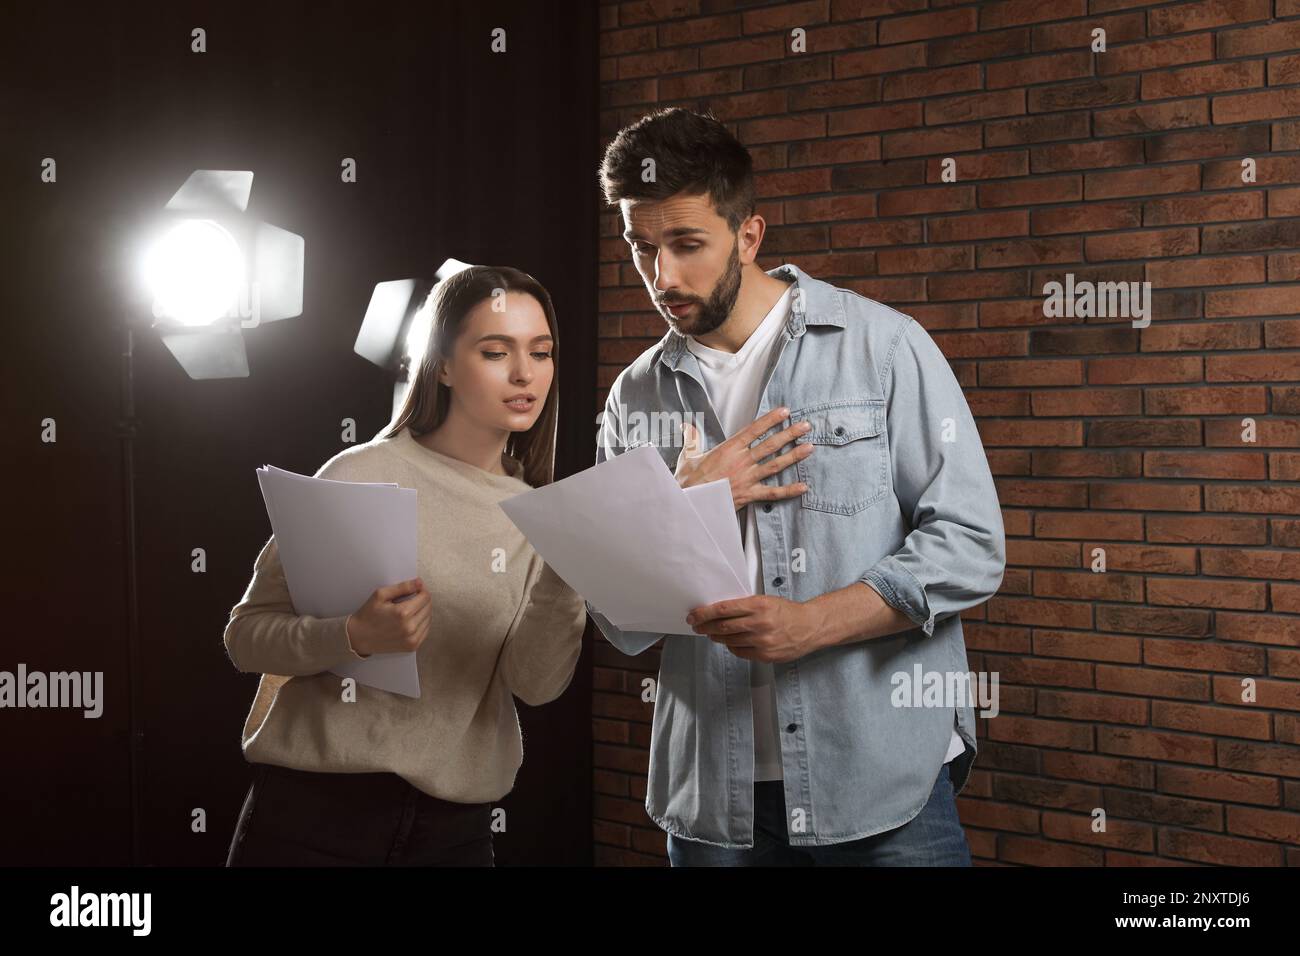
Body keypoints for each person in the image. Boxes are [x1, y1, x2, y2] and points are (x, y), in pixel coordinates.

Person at [589, 107, 1006, 866]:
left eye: (687, 245)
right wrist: (683, 505)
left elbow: (971, 546)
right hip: (715, 799)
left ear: (749, 235)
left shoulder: (883, 348)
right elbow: (622, 625)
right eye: (641, 247)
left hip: (879, 781)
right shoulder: (633, 398)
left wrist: (813, 624)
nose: (663, 277)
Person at [223, 264, 588, 866]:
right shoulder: (357, 474)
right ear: (442, 365)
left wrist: (568, 573)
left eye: (541, 353)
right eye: (496, 352)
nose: (525, 374)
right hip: (312, 818)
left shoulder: (540, 516)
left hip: (453, 836)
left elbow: (536, 685)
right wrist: (351, 637)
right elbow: (246, 638)